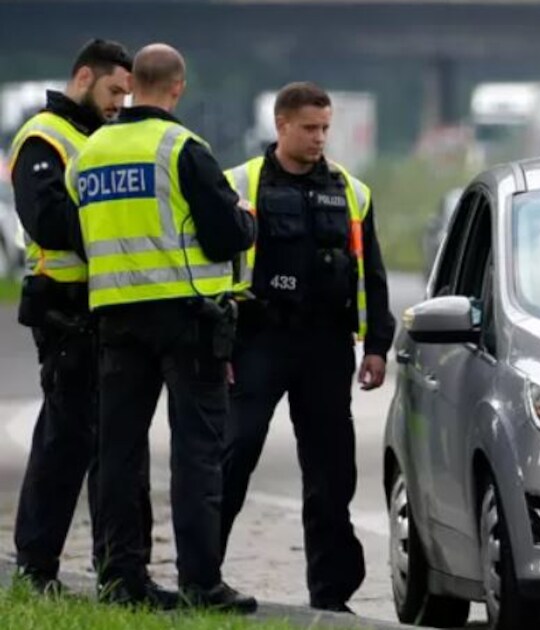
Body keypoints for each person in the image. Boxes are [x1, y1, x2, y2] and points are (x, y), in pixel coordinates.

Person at [68, 43, 257, 611]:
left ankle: (121, 579)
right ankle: (201, 582)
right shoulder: (181, 148)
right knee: (196, 452)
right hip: (186, 316)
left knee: (119, 454)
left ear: (131, 86)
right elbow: (225, 235)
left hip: (115, 317)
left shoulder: (89, 153)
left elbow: (79, 233)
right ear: (178, 87)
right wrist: (246, 218)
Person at [219, 81, 395, 614]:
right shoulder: (239, 184)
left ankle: (330, 595)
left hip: (325, 343)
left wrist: (377, 344)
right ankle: (201, 574)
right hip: (259, 339)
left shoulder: (352, 191)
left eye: (325, 128)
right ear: (281, 126)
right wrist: (219, 347)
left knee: (331, 473)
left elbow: (371, 274)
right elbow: (214, 268)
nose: (319, 138)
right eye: (309, 128)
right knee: (233, 454)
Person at [8, 38, 161, 598]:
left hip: (108, 305)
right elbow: (47, 220)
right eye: (114, 90)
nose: (121, 102)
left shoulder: (104, 138)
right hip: (64, 308)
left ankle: (122, 573)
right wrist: (114, 226)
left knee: (120, 444)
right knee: (65, 440)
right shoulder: (44, 137)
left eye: (127, 93)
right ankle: (35, 568)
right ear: (82, 79)